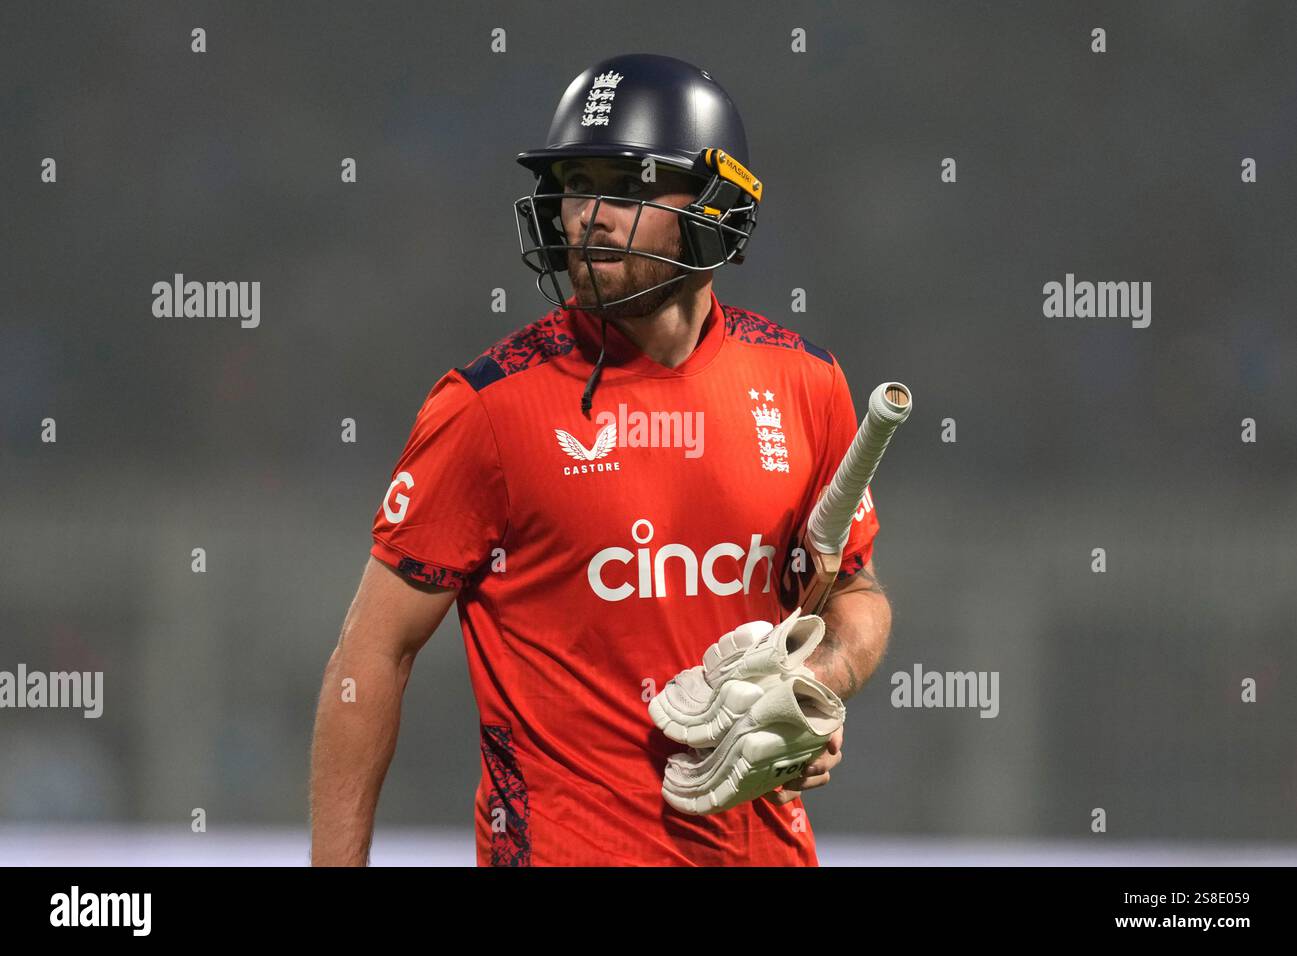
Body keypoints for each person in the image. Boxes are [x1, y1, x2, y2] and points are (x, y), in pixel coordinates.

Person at [310, 53, 892, 866]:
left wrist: (819, 682)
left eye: (629, 186)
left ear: (717, 205)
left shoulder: (806, 383)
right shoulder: (488, 408)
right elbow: (372, 654)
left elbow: (856, 592)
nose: (591, 216)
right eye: (577, 185)